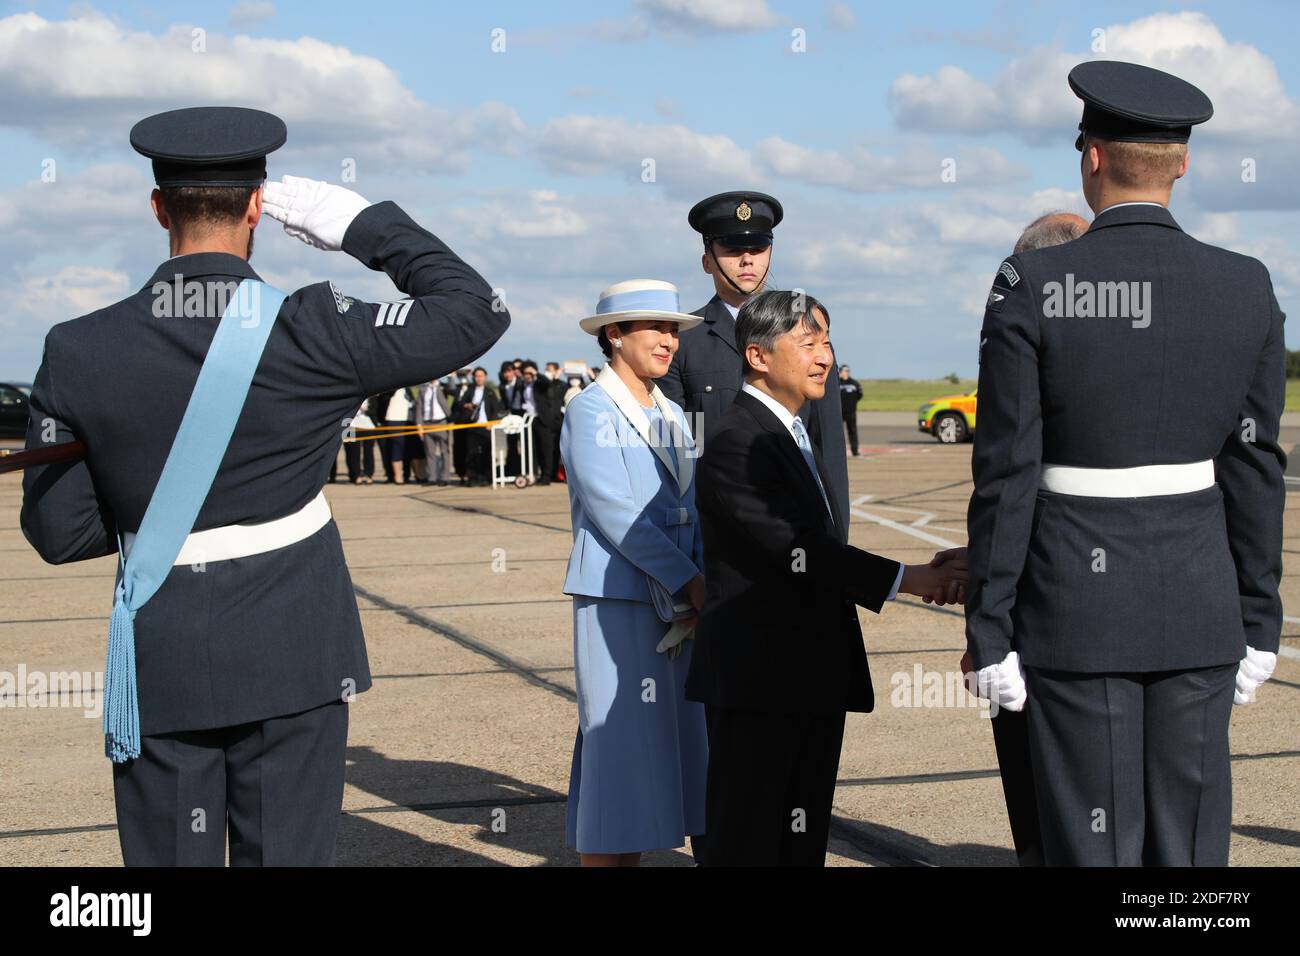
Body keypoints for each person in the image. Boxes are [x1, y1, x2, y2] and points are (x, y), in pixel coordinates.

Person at [18, 107, 509, 865]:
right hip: (293, 653)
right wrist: (364, 225)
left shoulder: (78, 347)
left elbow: (62, 534)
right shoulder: (317, 328)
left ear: (158, 209)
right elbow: (477, 310)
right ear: (258, 208)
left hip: (164, 659)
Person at [965, 61, 1285, 866]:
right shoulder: (1245, 285)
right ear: (1183, 162)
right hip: (1200, 607)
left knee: (1092, 846)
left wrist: (991, 625)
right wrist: (1258, 620)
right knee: (1189, 850)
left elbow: (1006, 471)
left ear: (1092, 158)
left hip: (1075, 610)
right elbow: (1255, 469)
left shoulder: (1031, 281)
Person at [685, 290, 967, 866]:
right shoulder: (737, 440)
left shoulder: (789, 431)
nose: (824, 358)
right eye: (806, 342)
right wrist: (909, 578)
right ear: (759, 357)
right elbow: (798, 550)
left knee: (798, 838)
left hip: (803, 673)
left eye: (828, 342)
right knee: (750, 838)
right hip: (759, 679)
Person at [560, 280, 709, 866]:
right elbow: (616, 513)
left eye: (673, 328)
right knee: (619, 748)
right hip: (620, 599)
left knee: (663, 748)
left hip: (678, 600)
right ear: (614, 335)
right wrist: (691, 580)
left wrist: (697, 579)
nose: (669, 340)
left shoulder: (672, 410)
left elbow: (690, 506)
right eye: (656, 327)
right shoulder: (588, 409)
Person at [957, 209, 1089, 868]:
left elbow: (1005, 490)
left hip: (1040, 615)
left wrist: (987, 627)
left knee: (1042, 810)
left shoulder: (1022, 341)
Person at [659, 191, 850, 522]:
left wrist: (838, 537)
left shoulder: (807, 335)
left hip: (799, 529)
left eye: (758, 248)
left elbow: (828, 447)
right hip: (717, 531)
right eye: (732, 250)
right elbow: (673, 452)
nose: (747, 260)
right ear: (707, 261)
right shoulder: (683, 342)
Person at [453, 367, 502, 486]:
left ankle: (487, 477)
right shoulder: (470, 391)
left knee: (487, 453)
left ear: (485, 377)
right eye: (476, 376)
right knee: (471, 453)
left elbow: (496, 409)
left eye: (481, 376)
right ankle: (473, 477)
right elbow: (459, 403)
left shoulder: (490, 392)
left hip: (486, 427)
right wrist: (467, 405)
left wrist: (492, 423)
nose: (479, 378)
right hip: (472, 426)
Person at [420, 378, 452, 486]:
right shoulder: (424, 389)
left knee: (444, 452)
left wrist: (451, 377)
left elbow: (452, 388)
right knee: (430, 452)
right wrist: (419, 424)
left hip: (441, 422)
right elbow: (419, 407)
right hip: (427, 423)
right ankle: (432, 477)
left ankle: (444, 477)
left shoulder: (443, 387)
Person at [837, 365, 862, 457]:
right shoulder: (837, 383)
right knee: (838, 432)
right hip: (839, 412)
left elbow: (859, 395)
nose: (845, 373)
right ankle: (838, 451)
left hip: (851, 412)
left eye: (846, 371)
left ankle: (855, 450)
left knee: (852, 431)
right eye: (843, 371)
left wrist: (852, 404)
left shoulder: (854, 383)